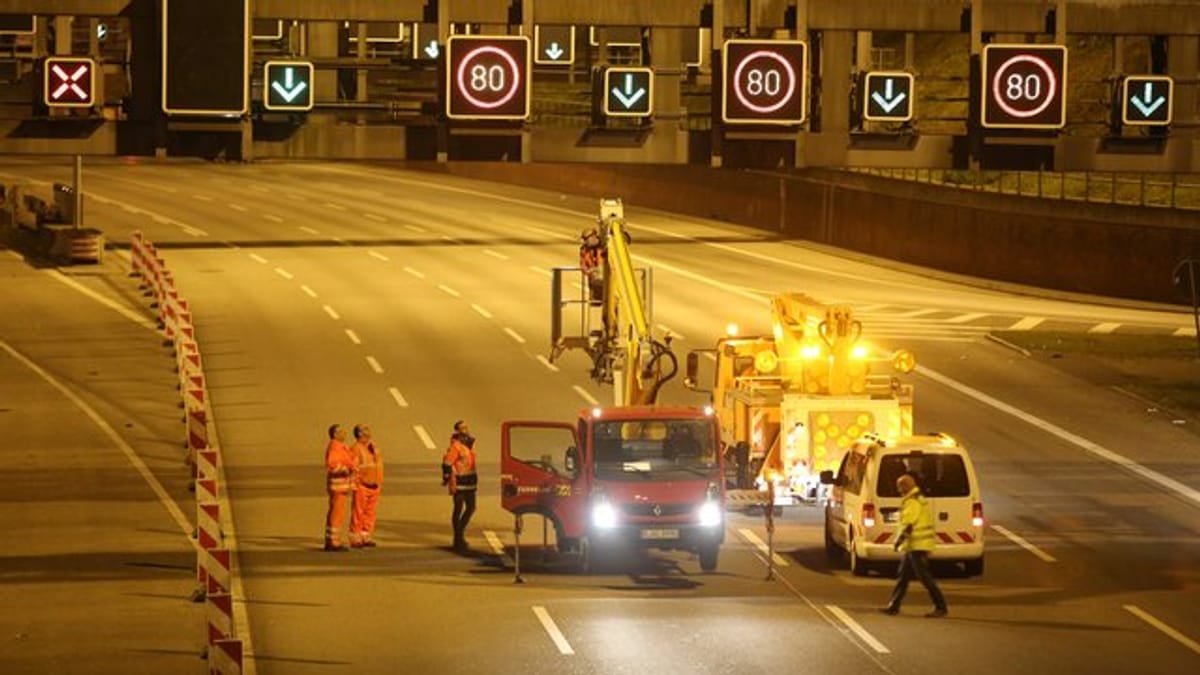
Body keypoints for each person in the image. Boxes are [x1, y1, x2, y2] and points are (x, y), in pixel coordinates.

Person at [881, 473, 948, 618]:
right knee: (903, 577)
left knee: (924, 578)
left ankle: (941, 606)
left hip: (917, 545)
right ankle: (894, 606)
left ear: (905, 487)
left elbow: (909, 524)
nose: (898, 490)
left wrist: (899, 540)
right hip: (914, 545)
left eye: (899, 487)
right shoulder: (916, 498)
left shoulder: (912, 502)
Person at [443, 420, 478, 553]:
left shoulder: (471, 443)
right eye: (462, 428)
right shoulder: (456, 446)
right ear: (457, 430)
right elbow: (447, 463)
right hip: (459, 482)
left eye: (466, 427)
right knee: (458, 509)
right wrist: (447, 478)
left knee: (471, 508)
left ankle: (460, 533)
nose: (465, 430)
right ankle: (458, 538)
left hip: (471, 481)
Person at [348, 423, 383, 548]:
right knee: (358, 513)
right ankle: (355, 538)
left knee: (370, 514)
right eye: (365, 429)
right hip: (362, 485)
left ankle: (365, 536)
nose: (368, 431)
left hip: (375, 485)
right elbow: (354, 468)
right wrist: (354, 484)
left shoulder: (373, 446)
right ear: (359, 434)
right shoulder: (356, 448)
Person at [323, 424, 357, 552]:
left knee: (338, 514)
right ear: (335, 434)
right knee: (336, 514)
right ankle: (333, 541)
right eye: (341, 431)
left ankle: (332, 539)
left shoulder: (341, 447)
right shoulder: (335, 447)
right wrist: (346, 469)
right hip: (338, 486)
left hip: (342, 487)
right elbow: (332, 465)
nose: (344, 433)